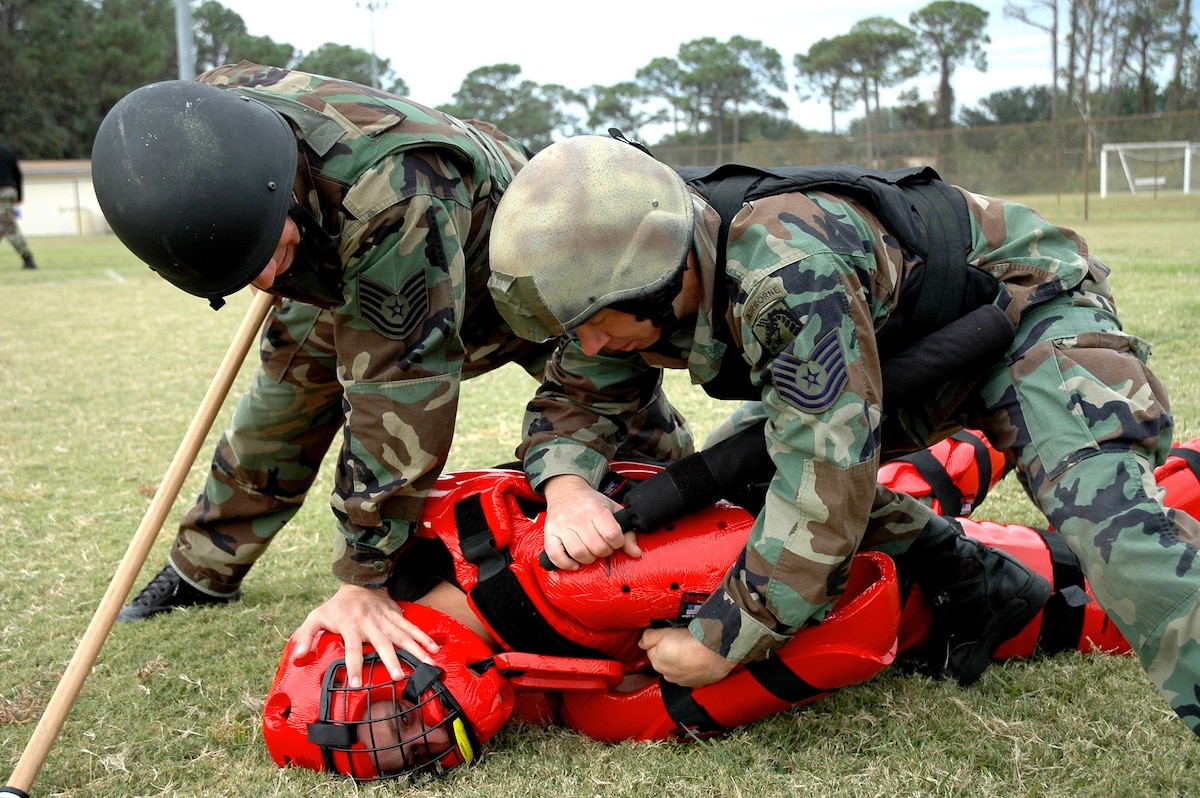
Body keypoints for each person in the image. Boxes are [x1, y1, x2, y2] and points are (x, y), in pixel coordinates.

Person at [484, 133, 1200, 736]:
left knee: (1117, 534)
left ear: (661, 280)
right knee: (745, 478)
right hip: (896, 350)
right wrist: (569, 487)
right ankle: (975, 584)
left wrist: (718, 640)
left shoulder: (784, 274)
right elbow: (576, 396)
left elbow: (824, 485)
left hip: (1028, 313)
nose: (589, 343)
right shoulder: (621, 280)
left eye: (597, 324)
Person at [90, 66, 694, 688]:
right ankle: (202, 569)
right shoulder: (211, 120)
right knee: (278, 411)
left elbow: (399, 398)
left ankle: (703, 520)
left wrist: (363, 579)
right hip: (328, 244)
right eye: (247, 267)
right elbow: (273, 262)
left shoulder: (393, 191)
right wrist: (258, 242)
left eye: (265, 252)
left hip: (510, 271)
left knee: (616, 415)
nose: (266, 279)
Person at [0, 140, 37, 270]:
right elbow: (17, 173)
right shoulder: (7, 150)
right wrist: (19, 195)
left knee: (9, 227)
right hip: (10, 191)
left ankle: (27, 258)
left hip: (2, 193)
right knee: (4, 225)